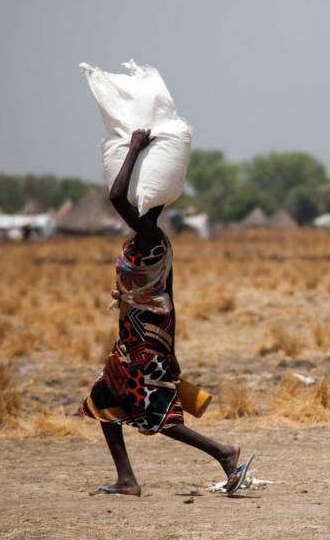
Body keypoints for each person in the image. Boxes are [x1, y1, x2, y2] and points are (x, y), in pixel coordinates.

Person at [80, 129, 252, 496]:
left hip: (145, 339)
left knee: (157, 412)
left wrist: (134, 148)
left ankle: (223, 452)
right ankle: (127, 480)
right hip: (135, 336)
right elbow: (169, 297)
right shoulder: (150, 240)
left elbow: (116, 196)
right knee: (104, 398)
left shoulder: (152, 238)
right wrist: (172, 352)